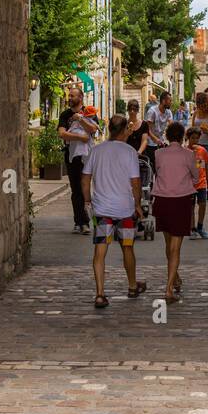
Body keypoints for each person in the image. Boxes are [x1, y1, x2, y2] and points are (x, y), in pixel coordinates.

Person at [81, 114, 146, 308]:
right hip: (124, 209)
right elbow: (135, 182)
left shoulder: (96, 151)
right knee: (127, 247)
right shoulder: (130, 152)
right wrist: (137, 204)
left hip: (102, 209)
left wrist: (87, 201)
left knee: (100, 250)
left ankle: (100, 293)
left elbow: (85, 179)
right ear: (125, 130)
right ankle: (132, 285)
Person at [152, 121, 201, 302]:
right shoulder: (189, 154)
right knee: (175, 248)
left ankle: (176, 278)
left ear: (167, 136)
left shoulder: (158, 154)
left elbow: (158, 172)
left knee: (168, 245)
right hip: (181, 201)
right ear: (182, 137)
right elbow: (196, 176)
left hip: (162, 200)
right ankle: (168, 289)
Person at [57, 84, 99, 233]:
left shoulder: (89, 112)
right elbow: (62, 133)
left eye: (72, 96)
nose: (69, 98)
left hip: (87, 155)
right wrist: (80, 137)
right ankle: (81, 222)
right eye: (69, 96)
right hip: (71, 155)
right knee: (76, 189)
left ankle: (82, 222)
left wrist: (80, 120)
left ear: (80, 98)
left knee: (84, 187)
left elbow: (94, 130)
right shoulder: (65, 115)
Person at [186, 128, 208, 238]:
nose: (195, 140)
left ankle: (200, 226)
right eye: (192, 138)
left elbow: (206, 168)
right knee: (190, 206)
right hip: (189, 184)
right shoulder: (185, 151)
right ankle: (192, 228)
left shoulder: (202, 151)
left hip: (201, 182)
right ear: (188, 138)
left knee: (202, 204)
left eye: (197, 138)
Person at [145, 90, 173, 172]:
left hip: (161, 142)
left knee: (161, 168)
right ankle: (152, 183)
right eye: (170, 101)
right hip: (151, 143)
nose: (171, 102)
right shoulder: (152, 111)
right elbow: (147, 129)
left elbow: (172, 126)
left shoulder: (168, 112)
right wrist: (155, 139)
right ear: (164, 101)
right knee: (153, 168)